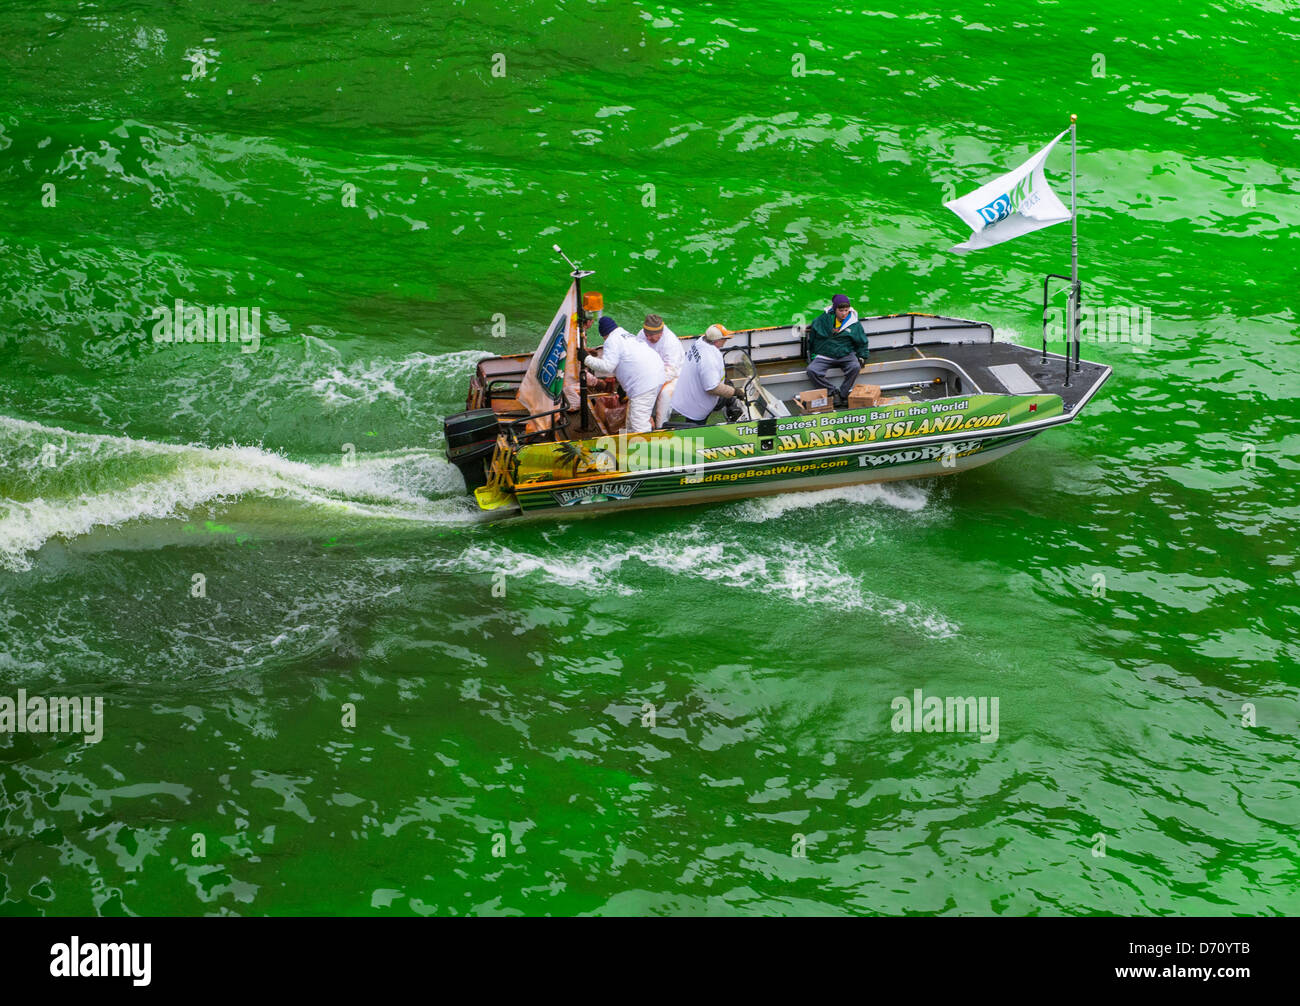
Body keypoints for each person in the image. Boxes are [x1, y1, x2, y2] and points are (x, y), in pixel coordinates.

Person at [580, 315, 666, 434]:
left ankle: (646, 449)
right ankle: (632, 445)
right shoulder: (625, 334)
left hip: (644, 384)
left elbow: (607, 366)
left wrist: (586, 358)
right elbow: (628, 360)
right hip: (656, 375)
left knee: (638, 424)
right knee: (631, 418)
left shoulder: (611, 340)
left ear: (604, 335)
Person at [669, 324, 744, 426]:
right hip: (697, 405)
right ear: (717, 341)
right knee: (696, 429)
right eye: (724, 339)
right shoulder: (709, 359)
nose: (725, 342)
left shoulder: (701, 342)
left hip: (688, 394)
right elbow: (712, 387)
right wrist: (734, 391)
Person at [806, 293, 869, 407]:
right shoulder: (822, 320)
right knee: (812, 370)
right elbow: (813, 337)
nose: (844, 313)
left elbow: (862, 342)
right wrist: (813, 353)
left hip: (845, 355)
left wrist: (862, 356)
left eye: (846, 310)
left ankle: (843, 394)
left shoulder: (854, 324)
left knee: (855, 367)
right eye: (841, 310)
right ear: (835, 309)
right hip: (825, 355)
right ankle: (832, 391)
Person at [635, 314, 685, 429]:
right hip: (650, 372)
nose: (648, 338)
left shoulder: (670, 342)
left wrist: (650, 385)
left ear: (660, 333)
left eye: (651, 336)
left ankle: (660, 427)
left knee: (665, 395)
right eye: (646, 335)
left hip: (673, 375)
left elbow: (671, 371)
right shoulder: (641, 335)